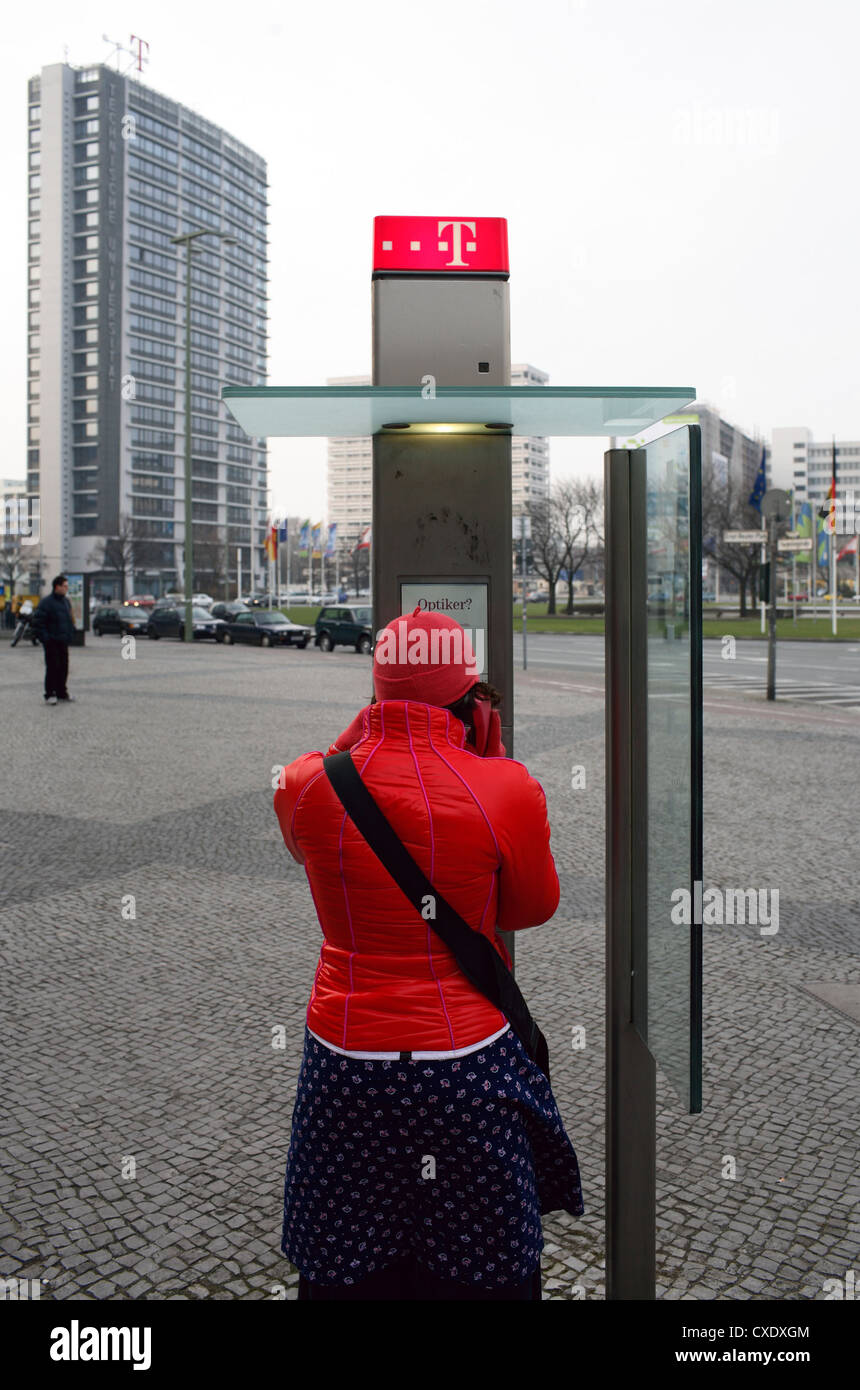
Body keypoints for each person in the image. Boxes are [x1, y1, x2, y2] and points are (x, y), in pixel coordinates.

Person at [274, 606, 583, 1301]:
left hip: (344, 1058)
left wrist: (364, 735)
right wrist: (491, 762)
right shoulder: (507, 787)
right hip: (465, 1062)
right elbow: (529, 909)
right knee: (483, 1270)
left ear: (375, 692)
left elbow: (305, 825)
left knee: (347, 1268)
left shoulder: (308, 784)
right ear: (471, 698)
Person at [31, 574, 76, 705]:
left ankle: (62, 692)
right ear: (57, 587)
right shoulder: (46, 603)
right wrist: (46, 638)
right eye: (65, 586)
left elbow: (69, 620)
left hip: (63, 641)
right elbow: (39, 622)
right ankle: (50, 693)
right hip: (51, 642)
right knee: (52, 668)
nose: (67, 588)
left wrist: (70, 634)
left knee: (64, 667)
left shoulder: (66, 602)